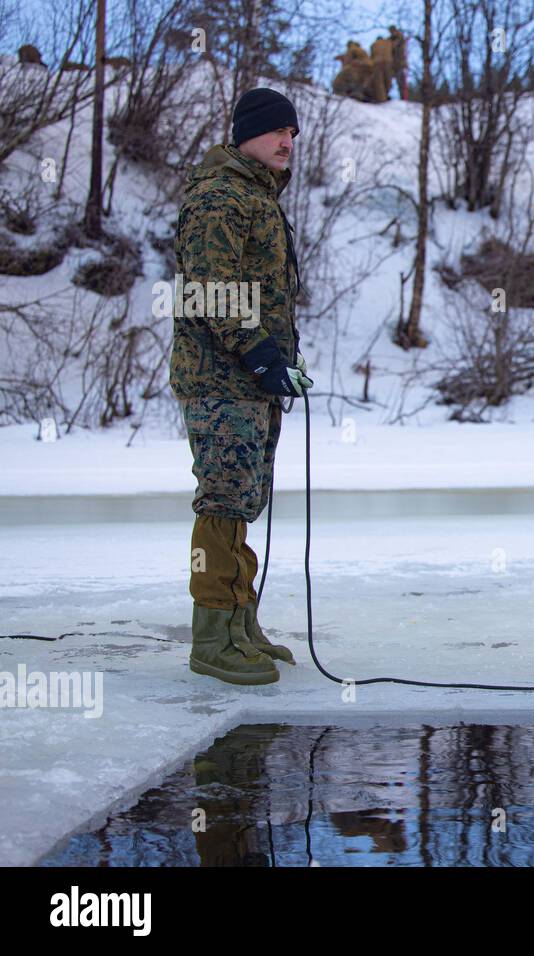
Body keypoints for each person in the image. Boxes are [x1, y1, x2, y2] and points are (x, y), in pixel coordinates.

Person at [171, 87, 313, 685]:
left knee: (244, 498)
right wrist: (259, 354)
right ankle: (212, 636)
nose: (287, 142)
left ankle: (239, 621)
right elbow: (208, 286)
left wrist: (279, 362)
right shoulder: (221, 196)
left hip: (250, 382)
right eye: (276, 131)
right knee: (224, 499)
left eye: (293, 134)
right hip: (220, 379)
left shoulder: (256, 196)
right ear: (244, 134)